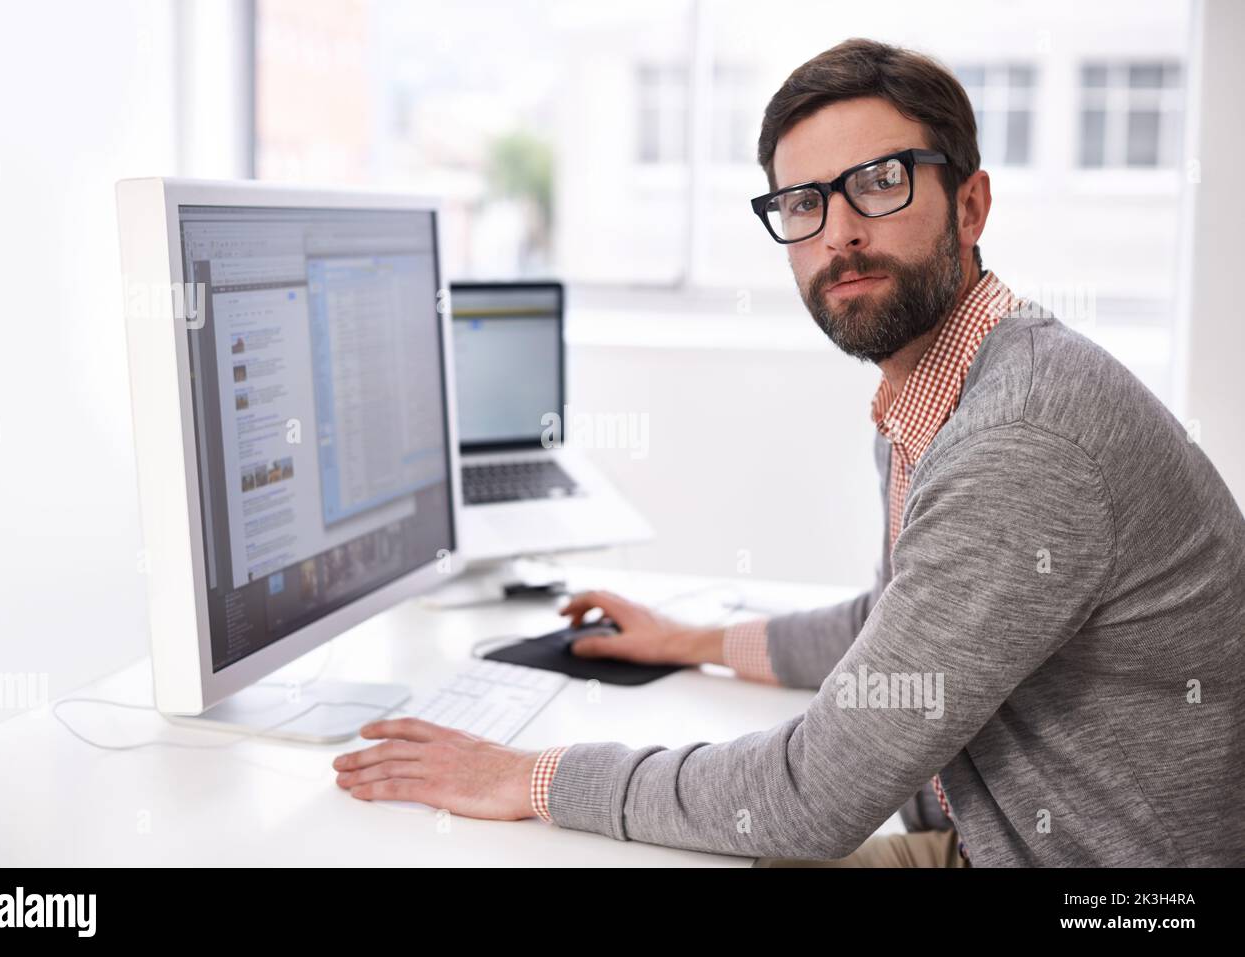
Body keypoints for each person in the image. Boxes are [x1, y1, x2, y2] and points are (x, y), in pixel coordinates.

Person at [331, 37, 1245, 866]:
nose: (839, 232)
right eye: (805, 203)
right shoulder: (944, 385)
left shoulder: (1019, 444)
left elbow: (806, 798)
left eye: (881, 183)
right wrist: (685, 640)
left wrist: (523, 778)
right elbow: (890, 628)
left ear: (970, 205)